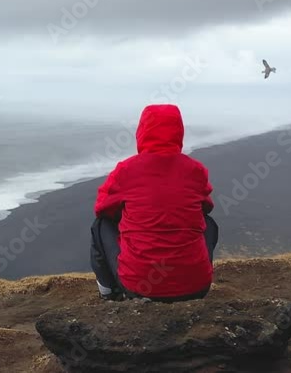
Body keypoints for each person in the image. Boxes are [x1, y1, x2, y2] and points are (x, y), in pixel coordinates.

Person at [90, 104, 219, 302]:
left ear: (142, 131)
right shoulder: (196, 170)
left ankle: (108, 293)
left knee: (101, 225)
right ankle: (195, 275)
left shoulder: (126, 170)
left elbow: (102, 209)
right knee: (208, 223)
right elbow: (206, 207)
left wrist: (132, 216)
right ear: (179, 132)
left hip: (140, 287)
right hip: (197, 288)